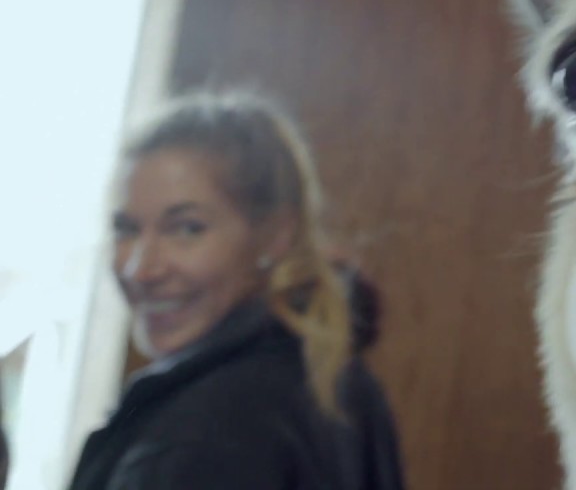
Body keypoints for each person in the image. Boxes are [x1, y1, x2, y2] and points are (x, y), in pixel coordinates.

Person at [68, 91, 405, 490]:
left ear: (276, 235)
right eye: (127, 230)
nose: (141, 268)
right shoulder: (337, 380)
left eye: (187, 229)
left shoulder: (205, 429)